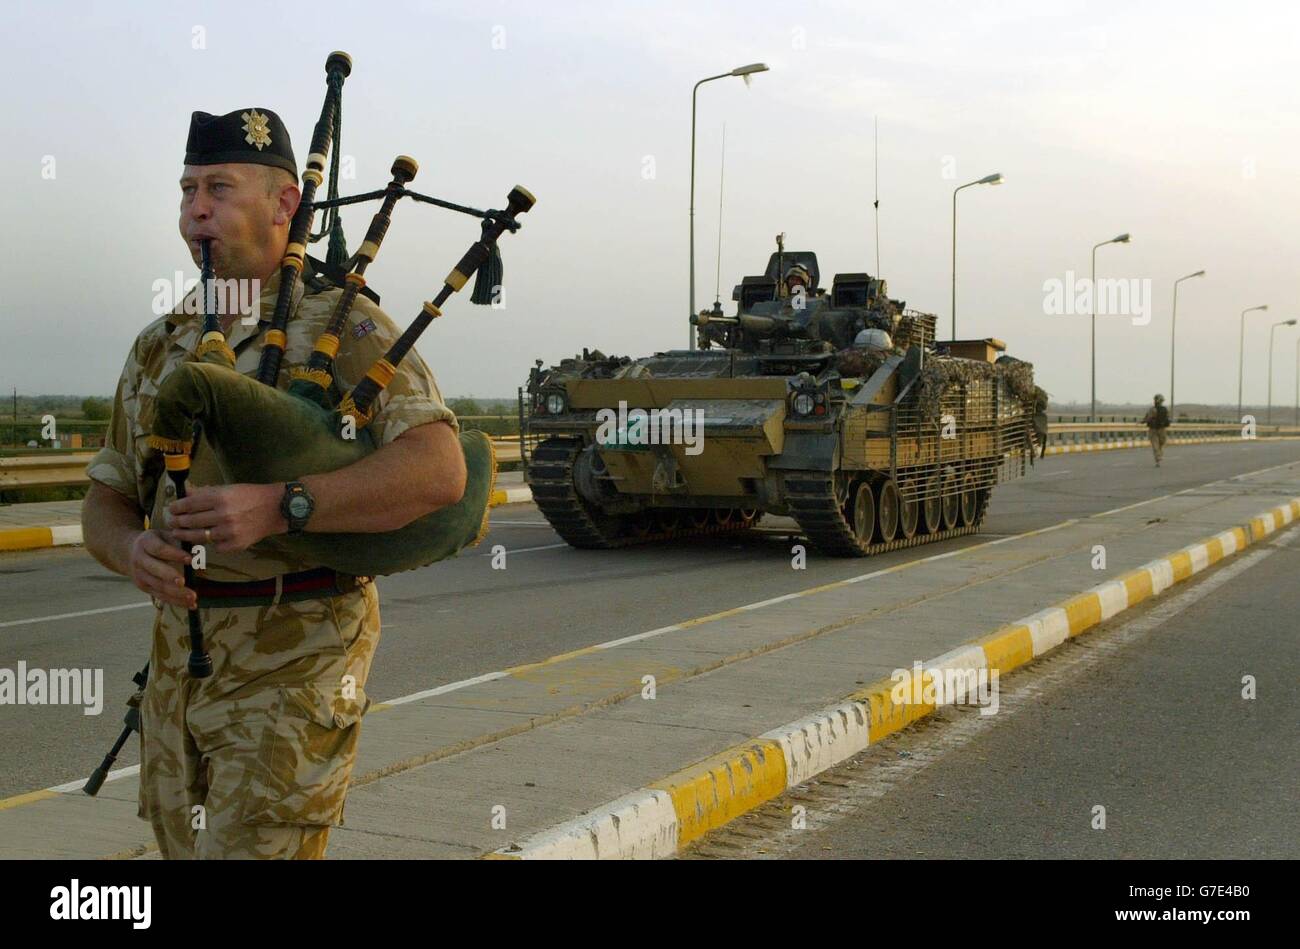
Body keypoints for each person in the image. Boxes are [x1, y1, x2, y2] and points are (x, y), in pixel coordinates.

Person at [81, 107, 466, 859]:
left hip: (296, 663)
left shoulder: (347, 326)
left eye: (218, 188)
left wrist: (283, 505)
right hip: (179, 669)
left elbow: (438, 467)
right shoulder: (163, 343)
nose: (196, 210)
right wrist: (131, 550)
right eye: (187, 189)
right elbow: (108, 495)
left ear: (284, 205)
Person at [1143, 393, 1171, 466]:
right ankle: (1158, 458)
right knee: (1158, 444)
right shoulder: (1162, 409)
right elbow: (1168, 418)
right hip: (1157, 429)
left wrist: (1143, 421)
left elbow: (1147, 418)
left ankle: (1158, 457)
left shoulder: (1154, 409)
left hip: (1156, 429)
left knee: (1158, 444)